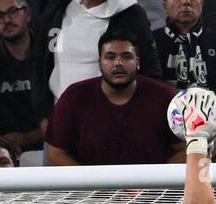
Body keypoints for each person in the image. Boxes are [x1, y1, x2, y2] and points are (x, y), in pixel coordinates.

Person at [46, 28, 184, 166]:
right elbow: (56, 154)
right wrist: (91, 185)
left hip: (152, 186)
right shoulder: (74, 97)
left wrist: (153, 183)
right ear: (99, 63)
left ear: (137, 62)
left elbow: (185, 150)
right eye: (110, 57)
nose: (118, 63)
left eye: (127, 56)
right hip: (91, 186)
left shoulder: (166, 97)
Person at [33, 0, 162, 120]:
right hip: (60, 118)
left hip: (110, 121)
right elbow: (38, 63)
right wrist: (43, 115)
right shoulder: (57, 7)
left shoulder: (130, 14)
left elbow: (150, 72)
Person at [153, 0, 216, 160]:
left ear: (203, 3)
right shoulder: (152, 43)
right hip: (166, 142)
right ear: (164, 5)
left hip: (215, 139)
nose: (186, 2)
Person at [0, 0, 44, 159]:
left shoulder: (48, 57)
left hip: (45, 144)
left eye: (13, 11)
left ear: (28, 14)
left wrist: (31, 137)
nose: (7, 20)